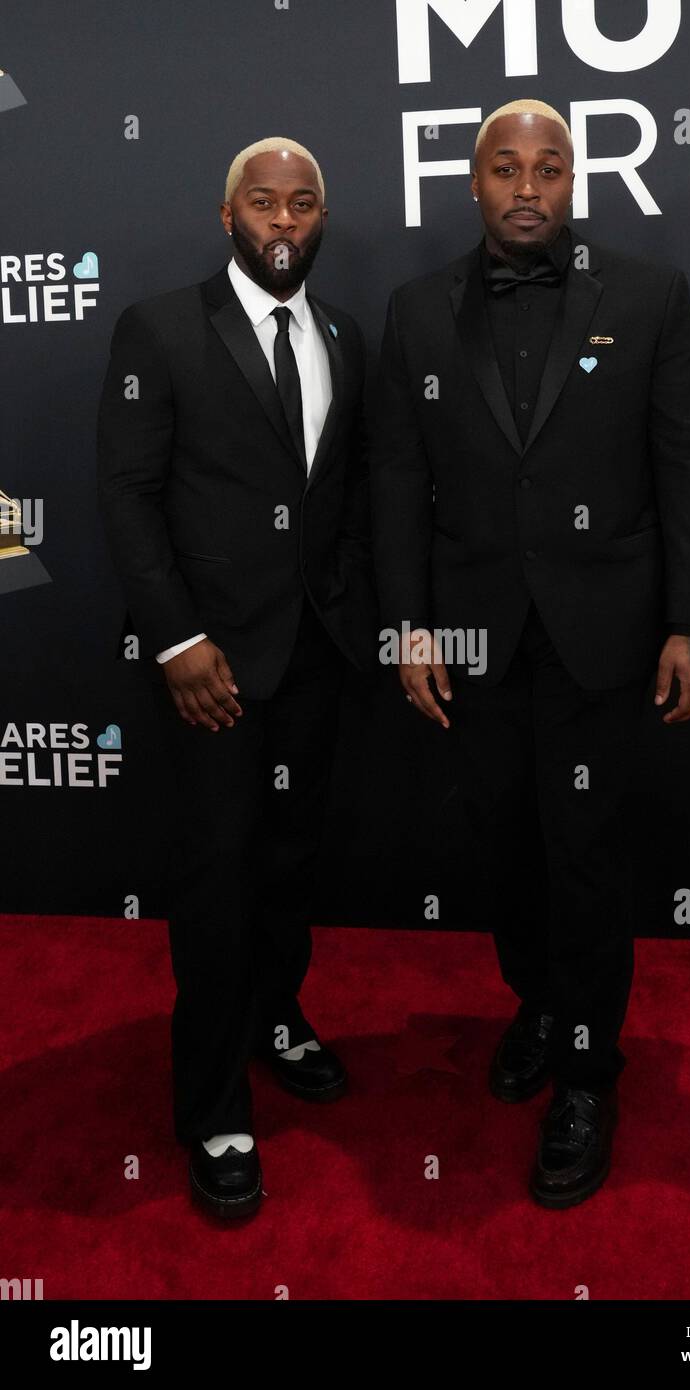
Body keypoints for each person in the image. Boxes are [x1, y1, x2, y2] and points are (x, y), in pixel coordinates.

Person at [371, 99, 690, 1208]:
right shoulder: (415, 310)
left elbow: (688, 470)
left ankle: (585, 1071)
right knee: (505, 847)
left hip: (601, 634)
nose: (526, 186)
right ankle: (533, 998)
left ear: (573, 181)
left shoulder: (651, 294)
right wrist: (409, 623)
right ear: (470, 183)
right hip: (473, 639)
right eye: (504, 167)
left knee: (582, 855)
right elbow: (393, 483)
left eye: (549, 168)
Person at [97, 136, 376, 1219]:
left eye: (301, 204)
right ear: (227, 216)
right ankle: (210, 1100)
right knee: (213, 881)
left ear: (319, 219)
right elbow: (127, 495)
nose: (282, 221)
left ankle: (275, 1015)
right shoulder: (158, 329)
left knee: (292, 856)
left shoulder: (344, 337)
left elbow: (345, 498)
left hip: (317, 656)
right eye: (262, 202)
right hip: (207, 666)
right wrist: (175, 642)